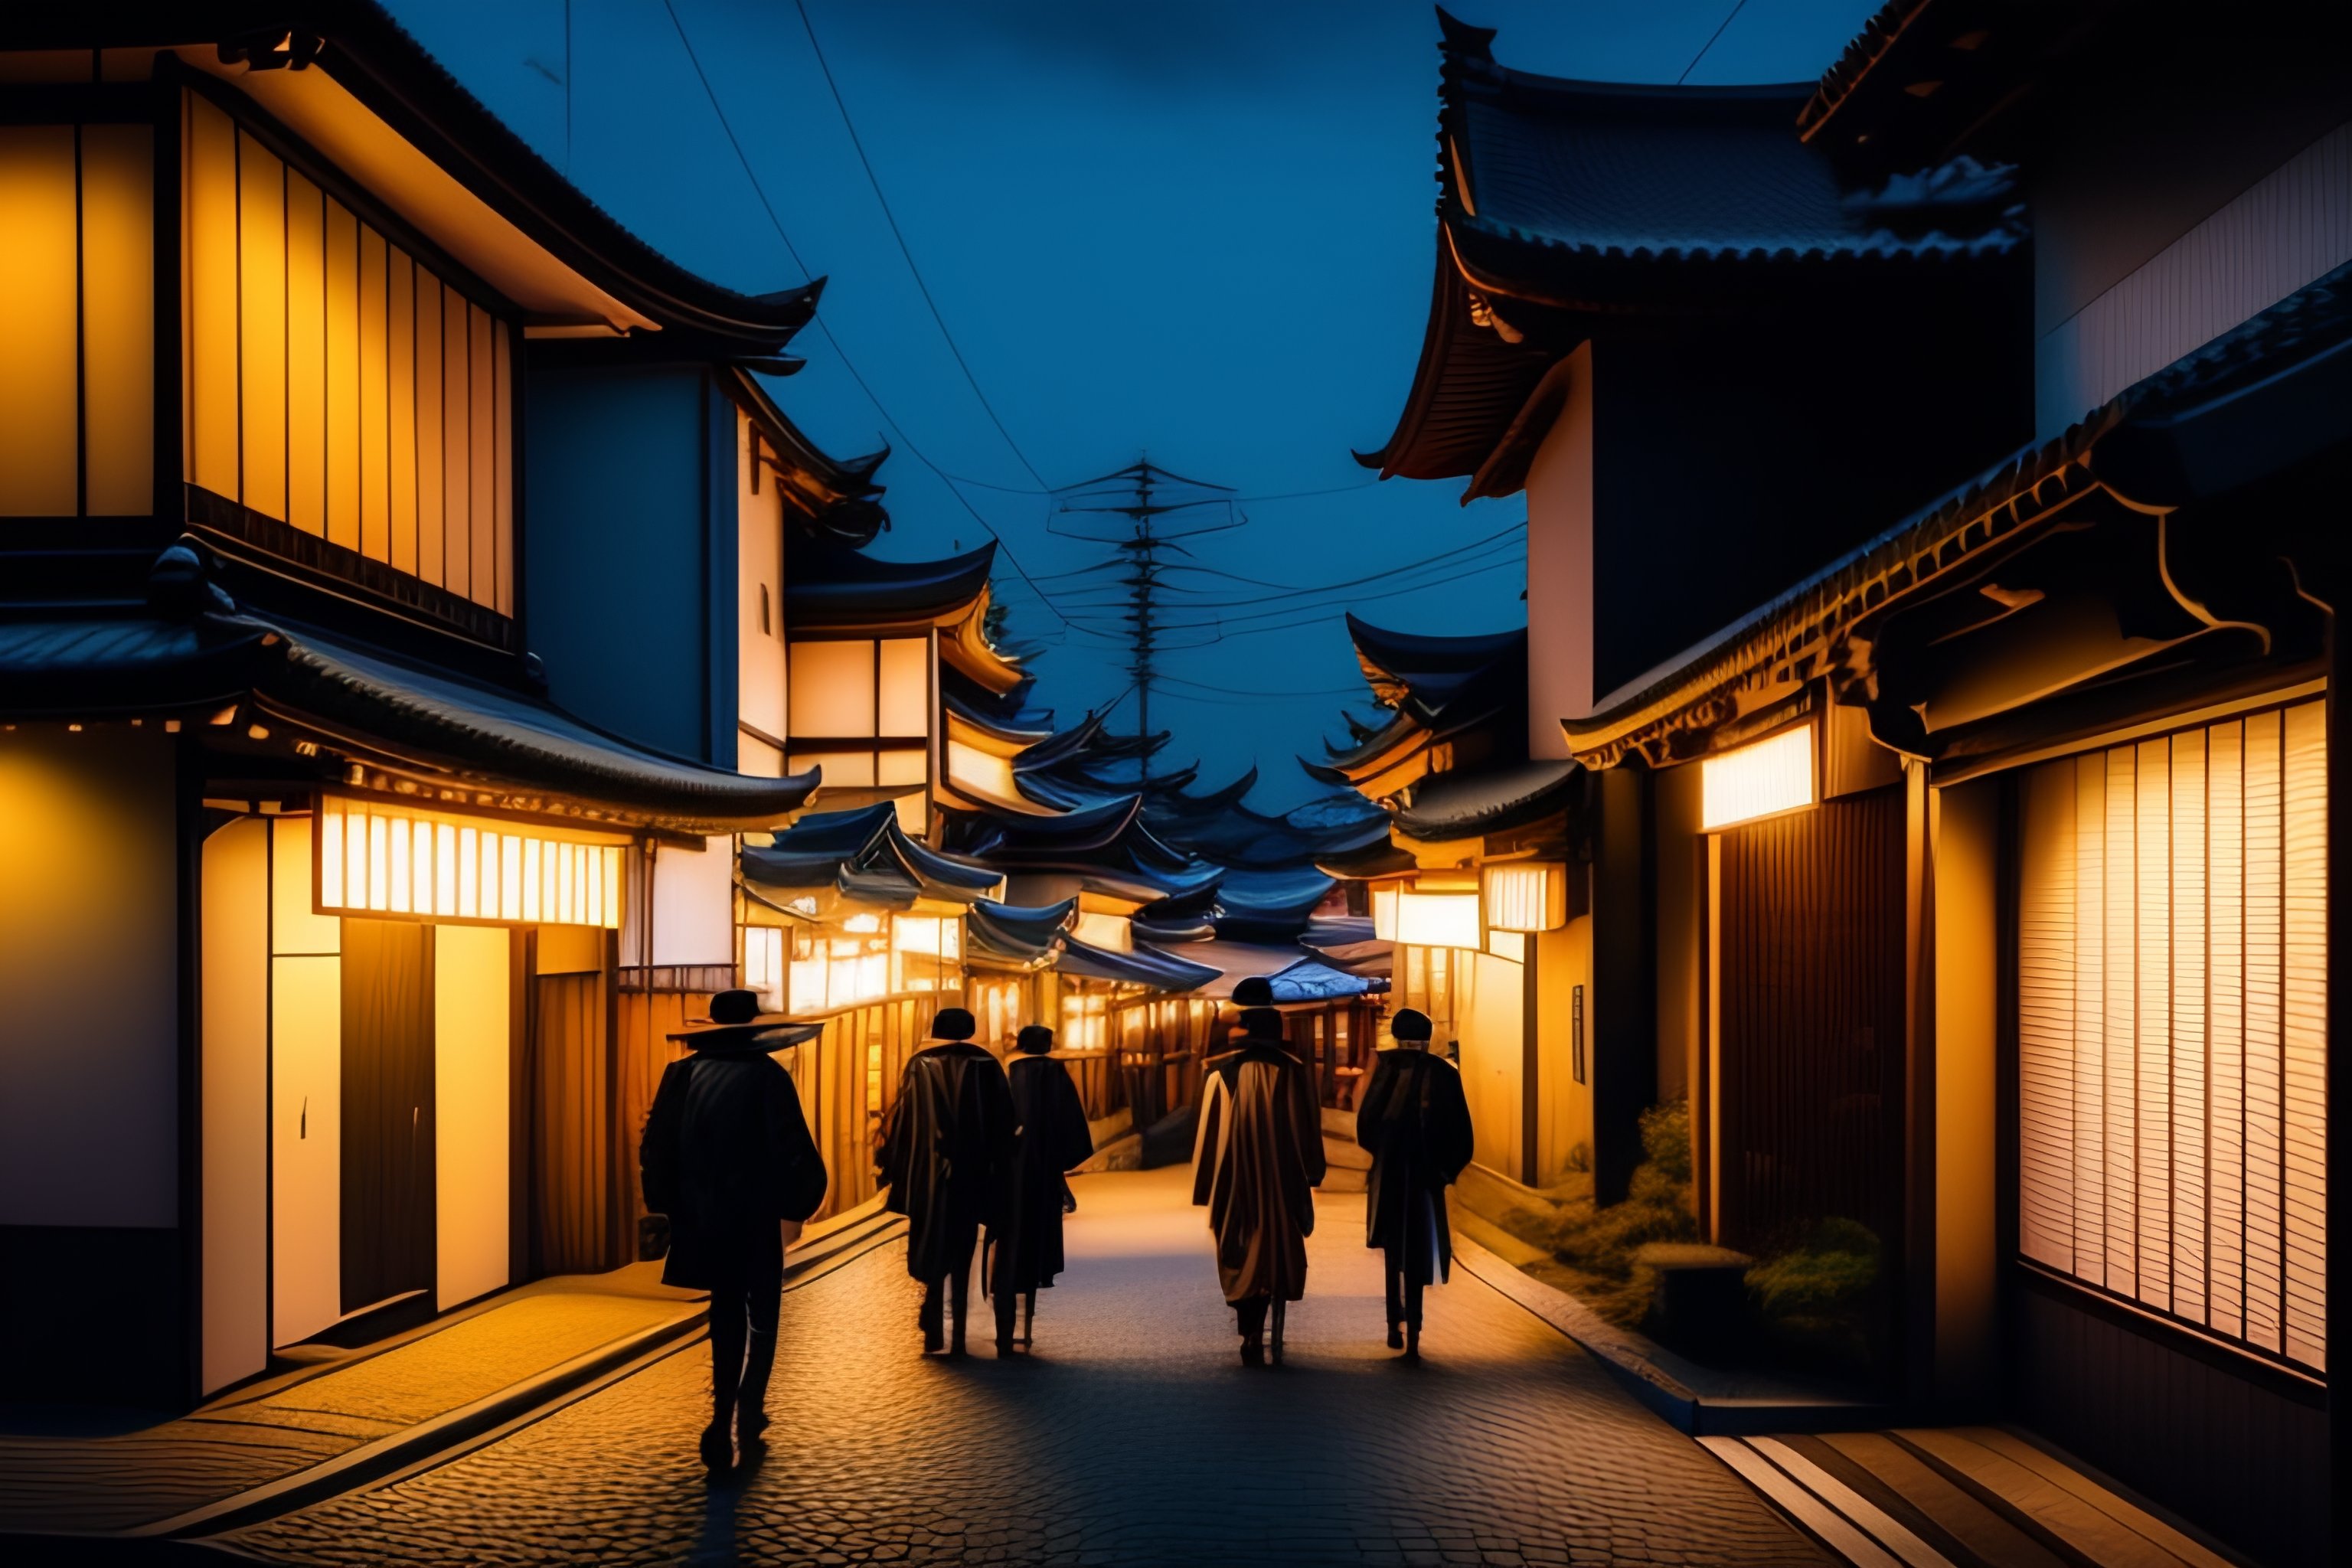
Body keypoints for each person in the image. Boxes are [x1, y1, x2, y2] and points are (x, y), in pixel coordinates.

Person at [639, 988, 828, 1474]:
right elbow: (793, 1148)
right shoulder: (767, 1076)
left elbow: (656, 1144)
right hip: (754, 1212)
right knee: (763, 1311)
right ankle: (751, 1403)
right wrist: (802, 1201)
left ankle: (720, 1416)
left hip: (700, 1214)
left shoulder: (681, 1074)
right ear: (753, 1027)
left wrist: (662, 1206)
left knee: (723, 1310)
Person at [1192, 977, 1326, 1364]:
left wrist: (1206, 1186)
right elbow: (1306, 1127)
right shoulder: (1292, 1072)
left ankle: (1248, 1330)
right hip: (1282, 1181)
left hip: (1233, 1184)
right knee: (1275, 1251)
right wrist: (1312, 1173)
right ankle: (1268, 1321)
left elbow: (1206, 1133)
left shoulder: (1220, 1073)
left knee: (1238, 1251)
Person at [877, 1007, 1016, 1356]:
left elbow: (905, 1122)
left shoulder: (919, 1065)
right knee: (964, 1250)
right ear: (970, 1029)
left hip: (927, 1177)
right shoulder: (987, 1065)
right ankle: (958, 1341)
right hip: (974, 1175)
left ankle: (933, 1330)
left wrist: (896, 1168)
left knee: (931, 1246)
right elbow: (1006, 1123)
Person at [1354, 1008, 1474, 1360]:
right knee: (1420, 1249)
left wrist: (1380, 1155)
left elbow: (1366, 1126)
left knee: (1393, 1249)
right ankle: (1416, 1330)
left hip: (1390, 1172)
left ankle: (1394, 1324)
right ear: (1427, 1038)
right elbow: (1462, 1134)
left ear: (1395, 1035)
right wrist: (1444, 1172)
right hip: (1425, 1177)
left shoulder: (1384, 1068)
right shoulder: (1444, 1073)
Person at [988, 1024, 1096, 1353]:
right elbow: (1074, 1127)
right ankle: (1028, 1323)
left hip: (1009, 1177)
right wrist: (1057, 1162)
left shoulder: (1008, 1074)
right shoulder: (1058, 1075)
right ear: (1048, 1045)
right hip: (1045, 1176)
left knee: (1007, 1248)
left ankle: (1004, 1331)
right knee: (1036, 1247)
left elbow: (995, 1123)